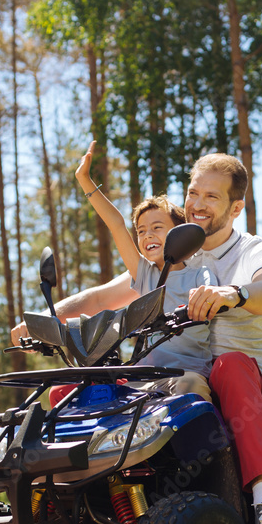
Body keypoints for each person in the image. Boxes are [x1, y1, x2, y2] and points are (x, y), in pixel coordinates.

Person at [12, 152, 262, 524]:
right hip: (168, 373)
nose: (198, 203)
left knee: (227, 366)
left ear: (235, 207)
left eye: (211, 197)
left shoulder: (253, 250)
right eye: (193, 193)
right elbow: (101, 297)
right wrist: (43, 320)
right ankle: (76, 499)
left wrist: (235, 293)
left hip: (234, 373)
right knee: (83, 389)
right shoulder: (169, 258)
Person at [74, 142, 214, 401]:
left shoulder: (200, 275)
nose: (147, 234)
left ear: (179, 232)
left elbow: (209, 296)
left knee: (190, 387)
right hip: (145, 377)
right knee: (98, 397)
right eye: (141, 231)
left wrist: (199, 304)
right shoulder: (145, 274)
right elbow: (116, 224)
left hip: (186, 373)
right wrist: (85, 181)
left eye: (157, 227)